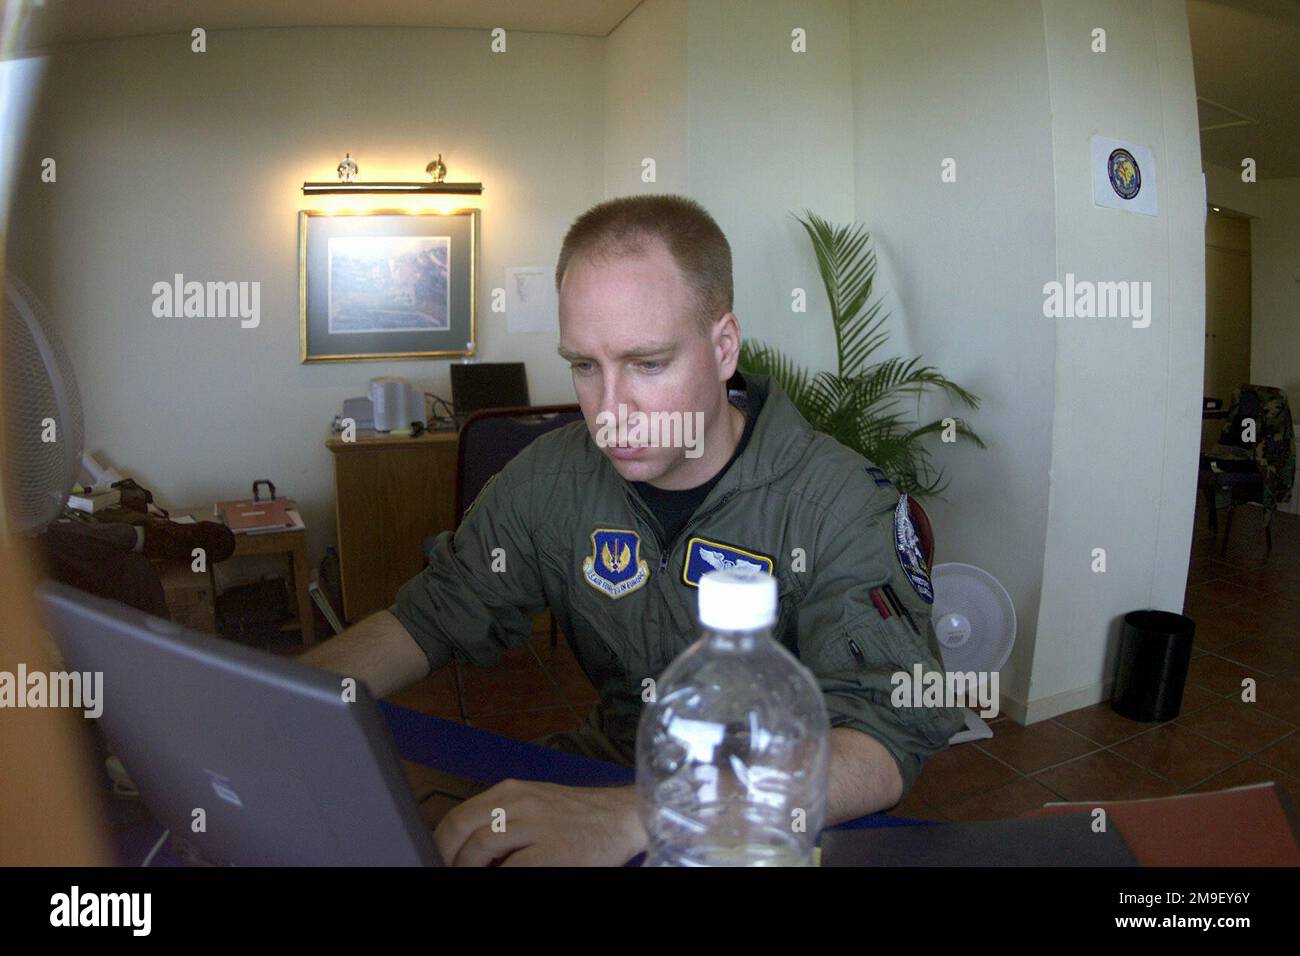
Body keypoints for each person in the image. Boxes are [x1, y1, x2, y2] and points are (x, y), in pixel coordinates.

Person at [302, 194, 965, 865]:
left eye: (647, 364)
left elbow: (883, 742)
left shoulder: (838, 503)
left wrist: (647, 816)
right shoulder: (549, 481)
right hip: (610, 770)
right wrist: (275, 703)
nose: (609, 411)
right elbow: (433, 616)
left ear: (723, 345)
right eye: (585, 366)